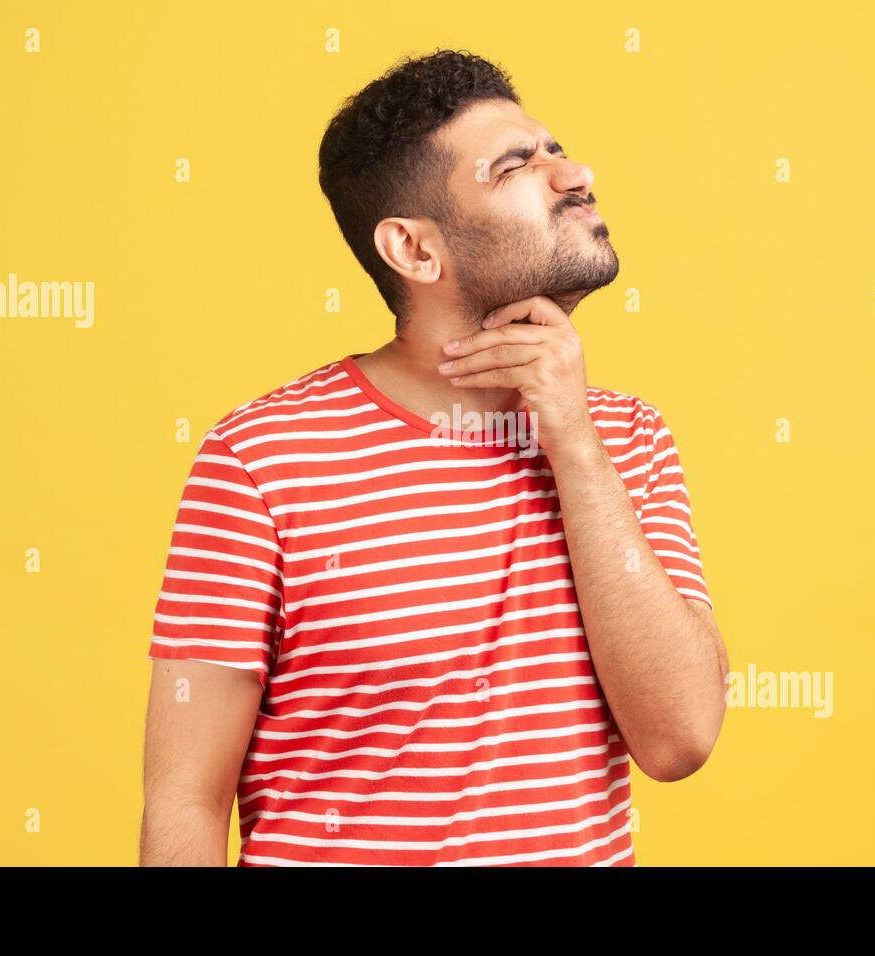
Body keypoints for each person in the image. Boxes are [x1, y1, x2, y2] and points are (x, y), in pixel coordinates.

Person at [140, 48, 729, 866]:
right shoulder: (259, 460)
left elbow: (680, 739)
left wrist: (575, 447)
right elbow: (185, 799)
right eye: (516, 166)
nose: (574, 174)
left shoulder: (625, 440)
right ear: (415, 251)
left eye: (557, 149)